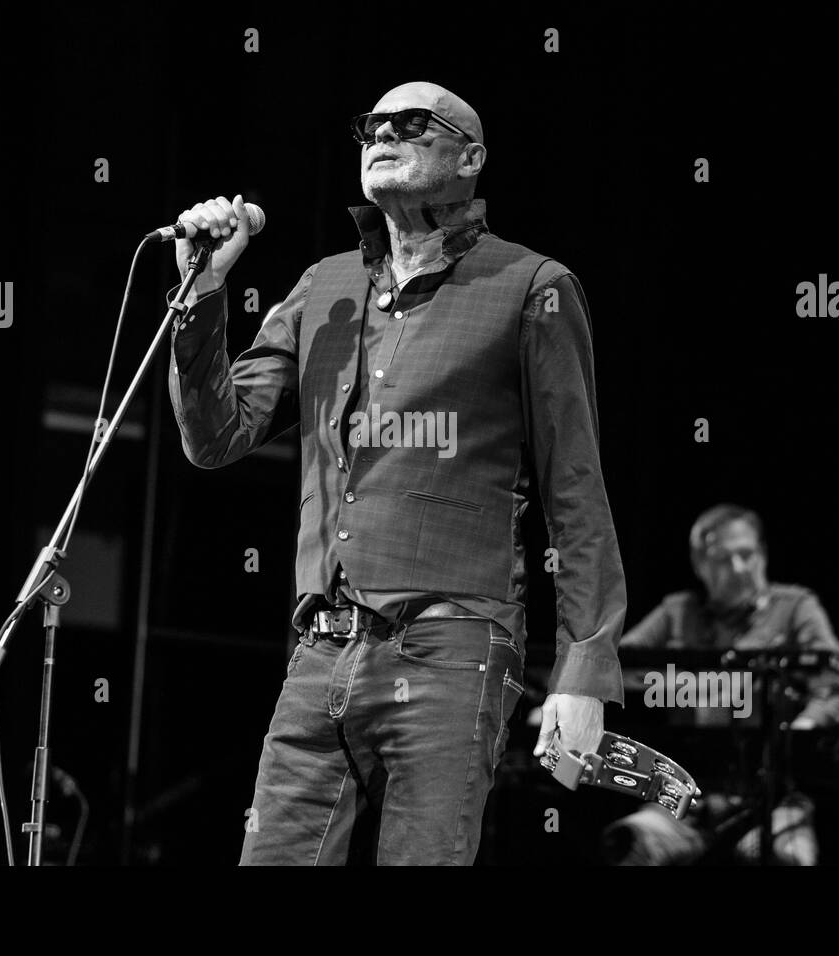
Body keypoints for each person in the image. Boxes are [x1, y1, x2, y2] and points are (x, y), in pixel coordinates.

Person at [165, 81, 627, 864]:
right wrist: (203, 290)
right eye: (371, 125)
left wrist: (582, 672)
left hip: (451, 651)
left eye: (414, 125)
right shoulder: (326, 288)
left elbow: (575, 491)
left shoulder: (532, 288)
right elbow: (216, 436)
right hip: (319, 651)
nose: (383, 133)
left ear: (471, 157)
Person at [609, 503, 839, 865]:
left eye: (747, 555)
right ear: (699, 566)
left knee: (787, 856)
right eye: (723, 559)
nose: (739, 569)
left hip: (772, 795)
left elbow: (838, 680)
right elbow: (616, 665)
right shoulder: (678, 611)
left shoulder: (795, 607)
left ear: (763, 554)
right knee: (628, 844)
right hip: (688, 794)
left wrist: (805, 726)